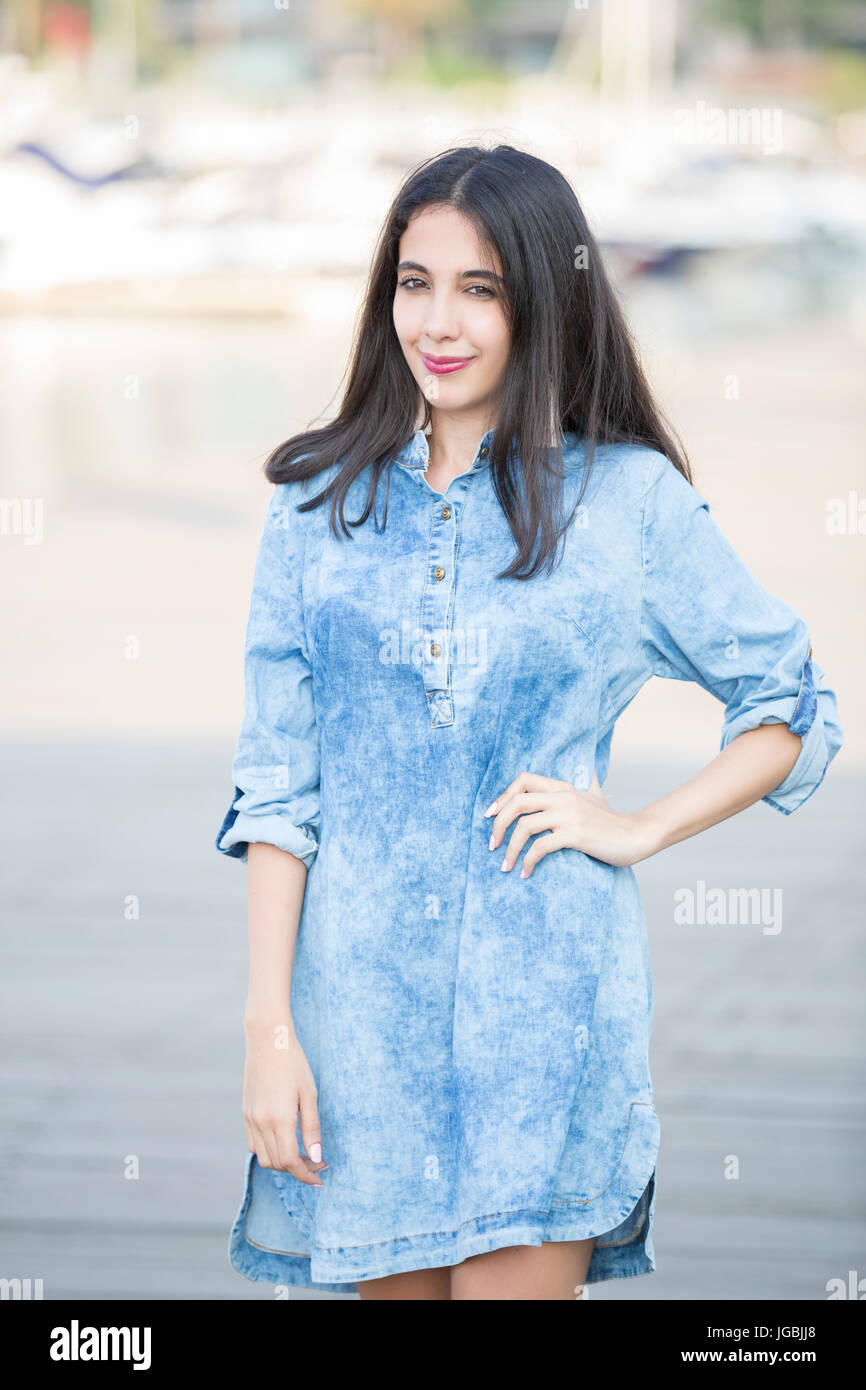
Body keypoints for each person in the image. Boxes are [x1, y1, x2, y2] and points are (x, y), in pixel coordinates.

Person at [214, 145, 843, 1301]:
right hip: (356, 1024)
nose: (436, 321)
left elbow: (790, 705)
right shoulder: (315, 506)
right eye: (414, 282)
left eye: (480, 288)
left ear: (540, 301)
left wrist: (639, 827)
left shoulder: (625, 502)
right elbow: (277, 791)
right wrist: (268, 1031)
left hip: (544, 1024)